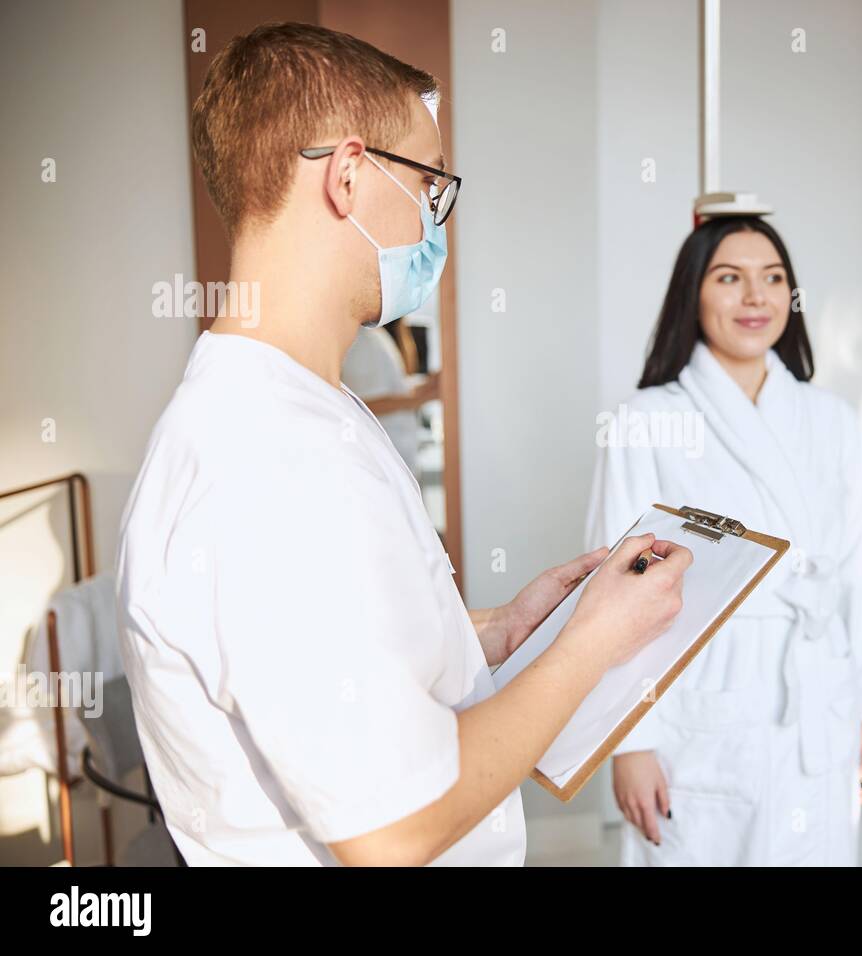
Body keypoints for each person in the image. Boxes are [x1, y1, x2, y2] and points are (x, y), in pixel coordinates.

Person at [116, 21, 690, 867]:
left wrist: (495, 633)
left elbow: (335, 661)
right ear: (348, 176)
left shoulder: (308, 409)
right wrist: (591, 643)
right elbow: (394, 825)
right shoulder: (263, 460)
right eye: (428, 183)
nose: (434, 217)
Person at [586, 215, 862, 866]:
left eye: (773, 279)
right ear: (693, 294)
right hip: (705, 700)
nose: (756, 297)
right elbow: (612, 596)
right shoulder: (644, 423)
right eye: (730, 278)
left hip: (820, 693)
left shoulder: (831, 421)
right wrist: (630, 744)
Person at [341, 320, 436, 478]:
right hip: (381, 464)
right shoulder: (364, 341)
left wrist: (427, 387)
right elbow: (364, 404)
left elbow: (396, 388)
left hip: (397, 462)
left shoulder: (379, 337)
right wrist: (419, 399)